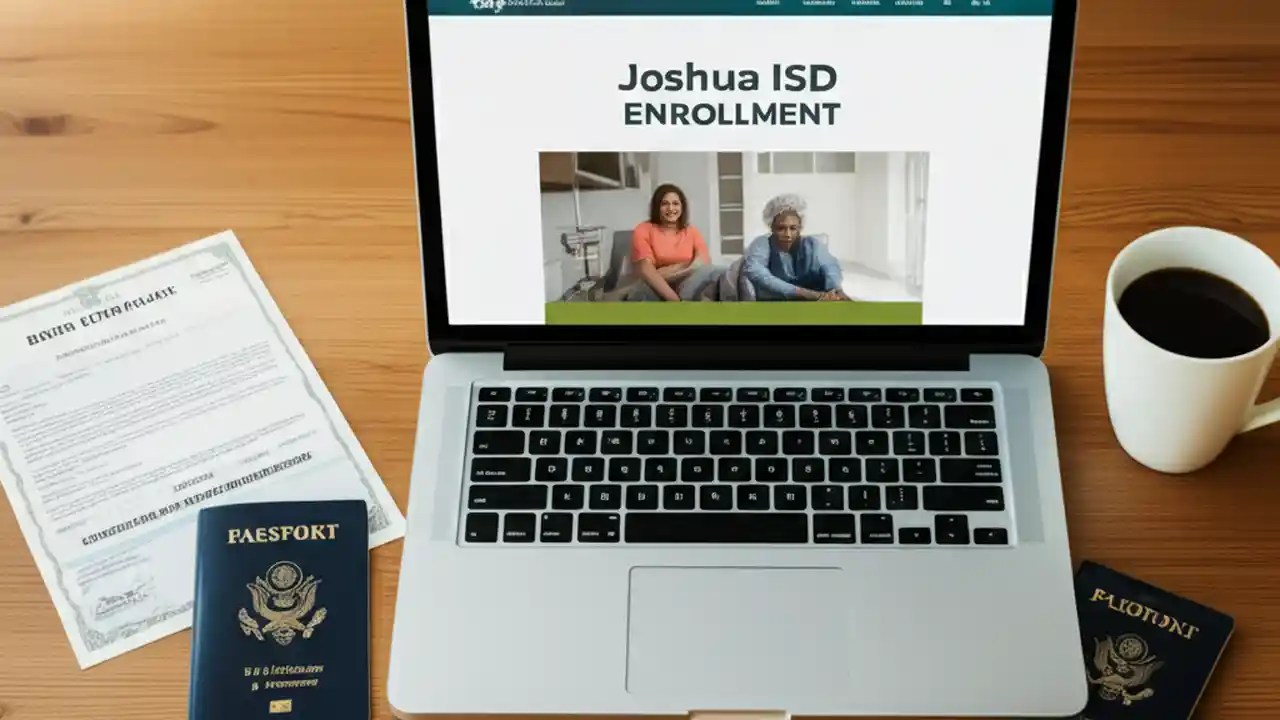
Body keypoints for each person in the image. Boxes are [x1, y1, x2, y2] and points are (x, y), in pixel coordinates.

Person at [743, 193, 848, 301]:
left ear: (800, 227)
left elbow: (830, 266)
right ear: (772, 227)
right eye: (781, 228)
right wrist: (807, 294)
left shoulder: (812, 245)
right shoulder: (762, 244)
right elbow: (757, 273)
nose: (787, 234)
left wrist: (835, 290)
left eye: (793, 228)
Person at [627, 183, 711, 302]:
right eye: (665, 204)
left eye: (675, 203)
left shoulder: (691, 231)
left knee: (718, 272)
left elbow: (702, 263)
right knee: (640, 292)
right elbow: (646, 270)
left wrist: (671, 271)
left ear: (682, 207)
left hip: (687, 284)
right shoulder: (643, 229)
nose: (671, 209)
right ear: (657, 207)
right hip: (653, 287)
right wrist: (675, 300)